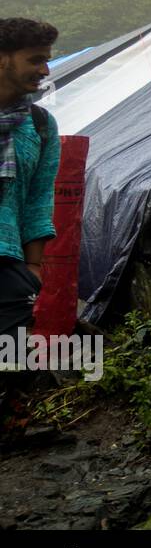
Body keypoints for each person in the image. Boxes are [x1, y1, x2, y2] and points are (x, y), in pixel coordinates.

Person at [0, 19, 60, 345]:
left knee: (9, 367)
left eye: (47, 59)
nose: (45, 70)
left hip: (8, 266)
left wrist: (33, 269)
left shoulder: (40, 125)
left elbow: (39, 199)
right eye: (35, 60)